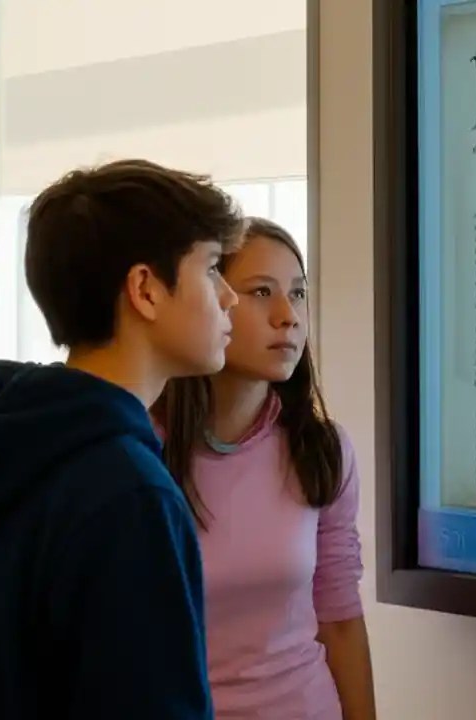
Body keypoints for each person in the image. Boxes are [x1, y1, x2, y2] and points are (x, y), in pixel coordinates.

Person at [0, 158, 242, 718]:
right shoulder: (127, 490)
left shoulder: (3, 452)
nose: (229, 298)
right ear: (145, 289)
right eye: (212, 268)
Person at [154, 218, 376, 719]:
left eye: (298, 294)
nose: (288, 316)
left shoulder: (321, 449)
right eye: (261, 292)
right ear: (212, 301)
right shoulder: (142, 452)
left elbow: (340, 617)